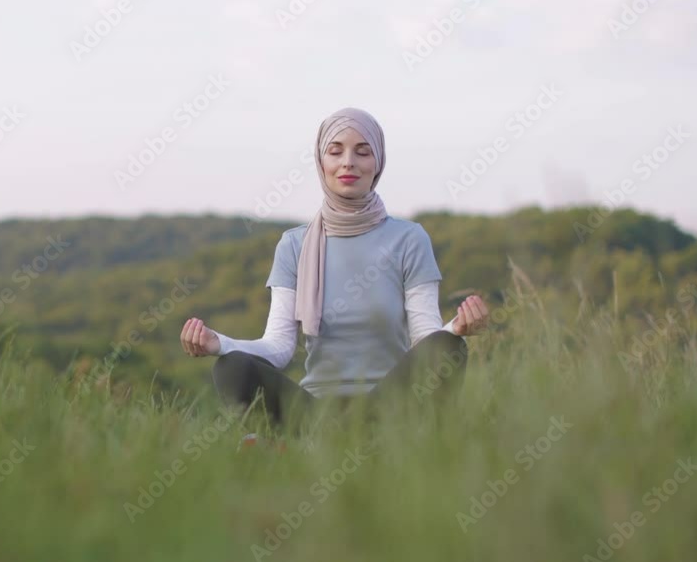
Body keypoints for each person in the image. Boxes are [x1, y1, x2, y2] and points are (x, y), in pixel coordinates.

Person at [179, 107, 490, 430]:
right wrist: (221, 345)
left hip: (390, 402)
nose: (348, 162)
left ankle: (351, 440)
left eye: (362, 151)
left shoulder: (409, 239)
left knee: (447, 348)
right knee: (232, 368)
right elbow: (278, 347)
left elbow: (425, 337)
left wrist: (456, 329)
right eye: (335, 151)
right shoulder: (294, 245)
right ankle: (345, 440)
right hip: (314, 412)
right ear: (321, 161)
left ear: (378, 162)